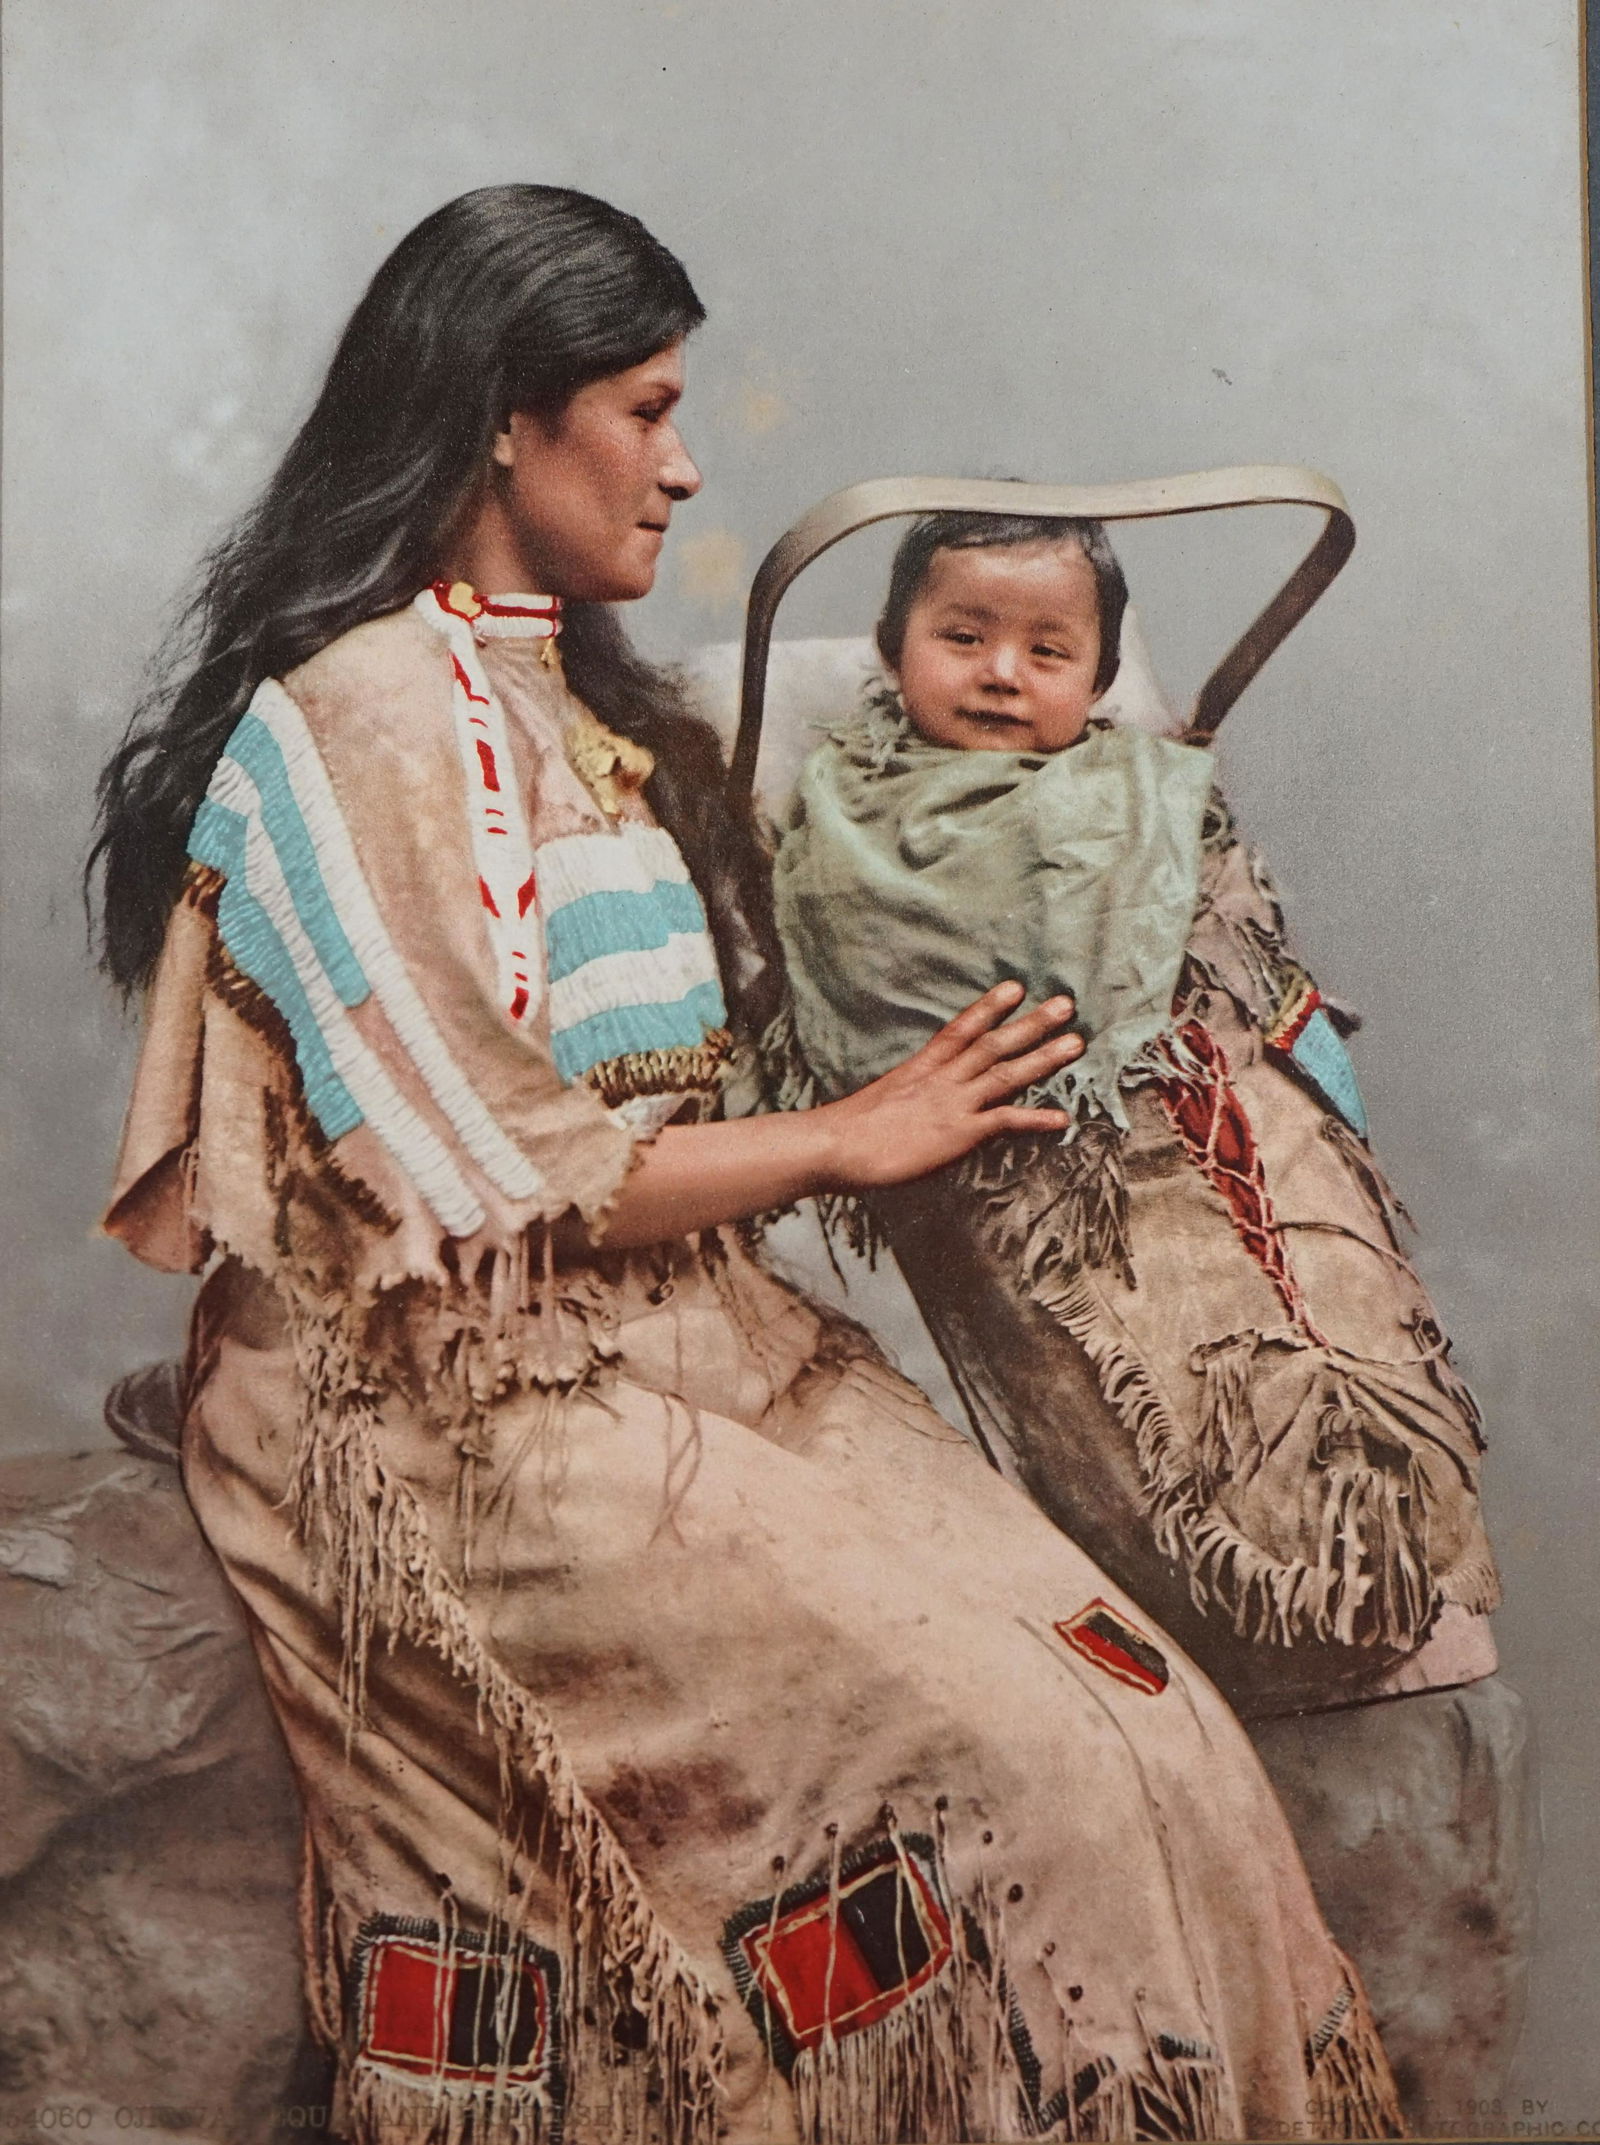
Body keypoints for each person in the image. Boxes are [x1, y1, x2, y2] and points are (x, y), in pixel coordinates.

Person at [93, 187, 1402, 2144]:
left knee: (1134, 1722)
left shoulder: (582, 703)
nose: (686, 461)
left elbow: (808, 890)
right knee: (1009, 1762)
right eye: (642, 405)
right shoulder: (356, 713)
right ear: (496, 420)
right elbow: (496, 1173)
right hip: (447, 1395)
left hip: (683, 1344)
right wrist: (858, 1132)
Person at [772, 509, 1500, 1719]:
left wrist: (1243, 1007)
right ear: (894, 646)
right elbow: (867, 984)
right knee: (1163, 1371)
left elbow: (1230, 952)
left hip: (1194, 1095)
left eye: (1049, 652)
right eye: (963, 636)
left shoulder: (1146, 790)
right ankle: (1252, 1559)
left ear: (1099, 682)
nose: (1002, 672)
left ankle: (1363, 1527)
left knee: (1321, 1319)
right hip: (1039, 1151)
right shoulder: (849, 821)